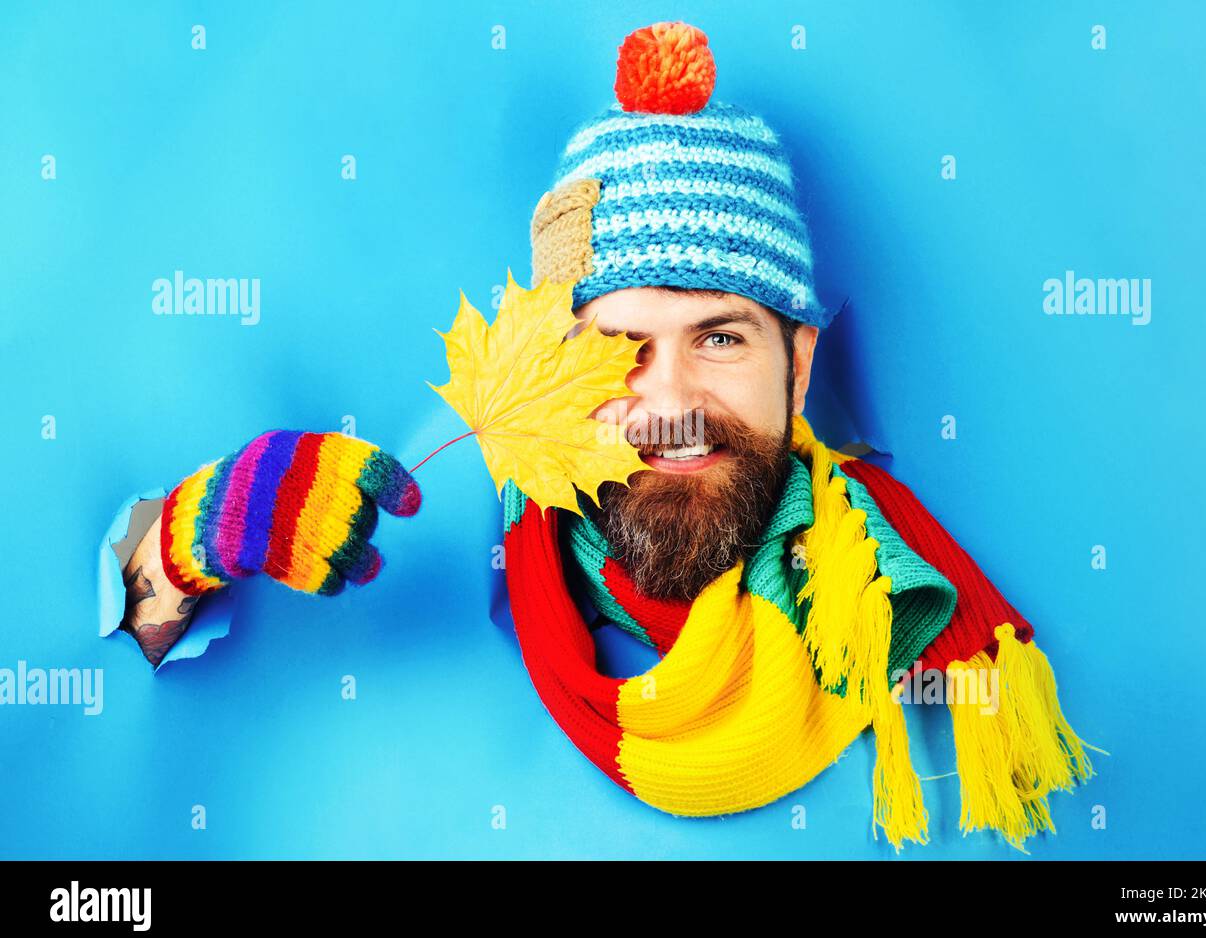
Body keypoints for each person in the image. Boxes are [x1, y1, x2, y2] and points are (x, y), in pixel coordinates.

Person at [101, 21, 1099, 853]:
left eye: (719, 337)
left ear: (797, 366)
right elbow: (141, 617)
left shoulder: (882, 603)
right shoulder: (435, 519)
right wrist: (188, 540)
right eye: (621, 347)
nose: (669, 401)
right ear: (557, 362)